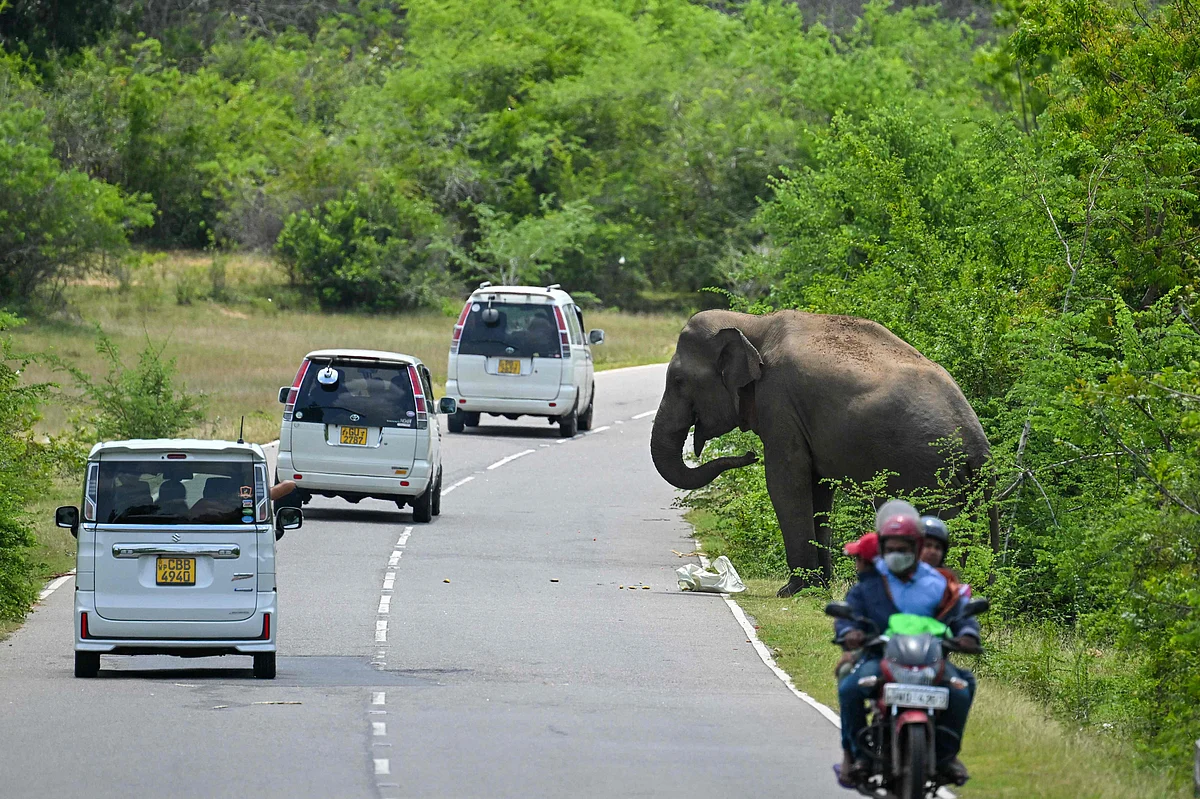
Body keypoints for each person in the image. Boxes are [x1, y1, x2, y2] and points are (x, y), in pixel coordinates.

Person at [835, 501, 981, 786]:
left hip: (930, 660)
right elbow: (851, 613)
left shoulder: (940, 583)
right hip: (881, 657)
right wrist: (849, 631)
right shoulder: (872, 580)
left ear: (916, 548)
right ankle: (858, 755)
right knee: (851, 688)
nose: (896, 555)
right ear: (882, 549)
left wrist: (968, 635)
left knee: (962, 689)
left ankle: (946, 757)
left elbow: (960, 613)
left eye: (903, 549)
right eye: (890, 549)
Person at [835, 533, 880, 678]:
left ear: (864, 562)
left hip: (909, 652)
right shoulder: (860, 591)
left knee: (847, 678)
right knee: (846, 672)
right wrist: (848, 631)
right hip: (873, 648)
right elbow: (846, 617)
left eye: (857, 559)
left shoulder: (899, 586)